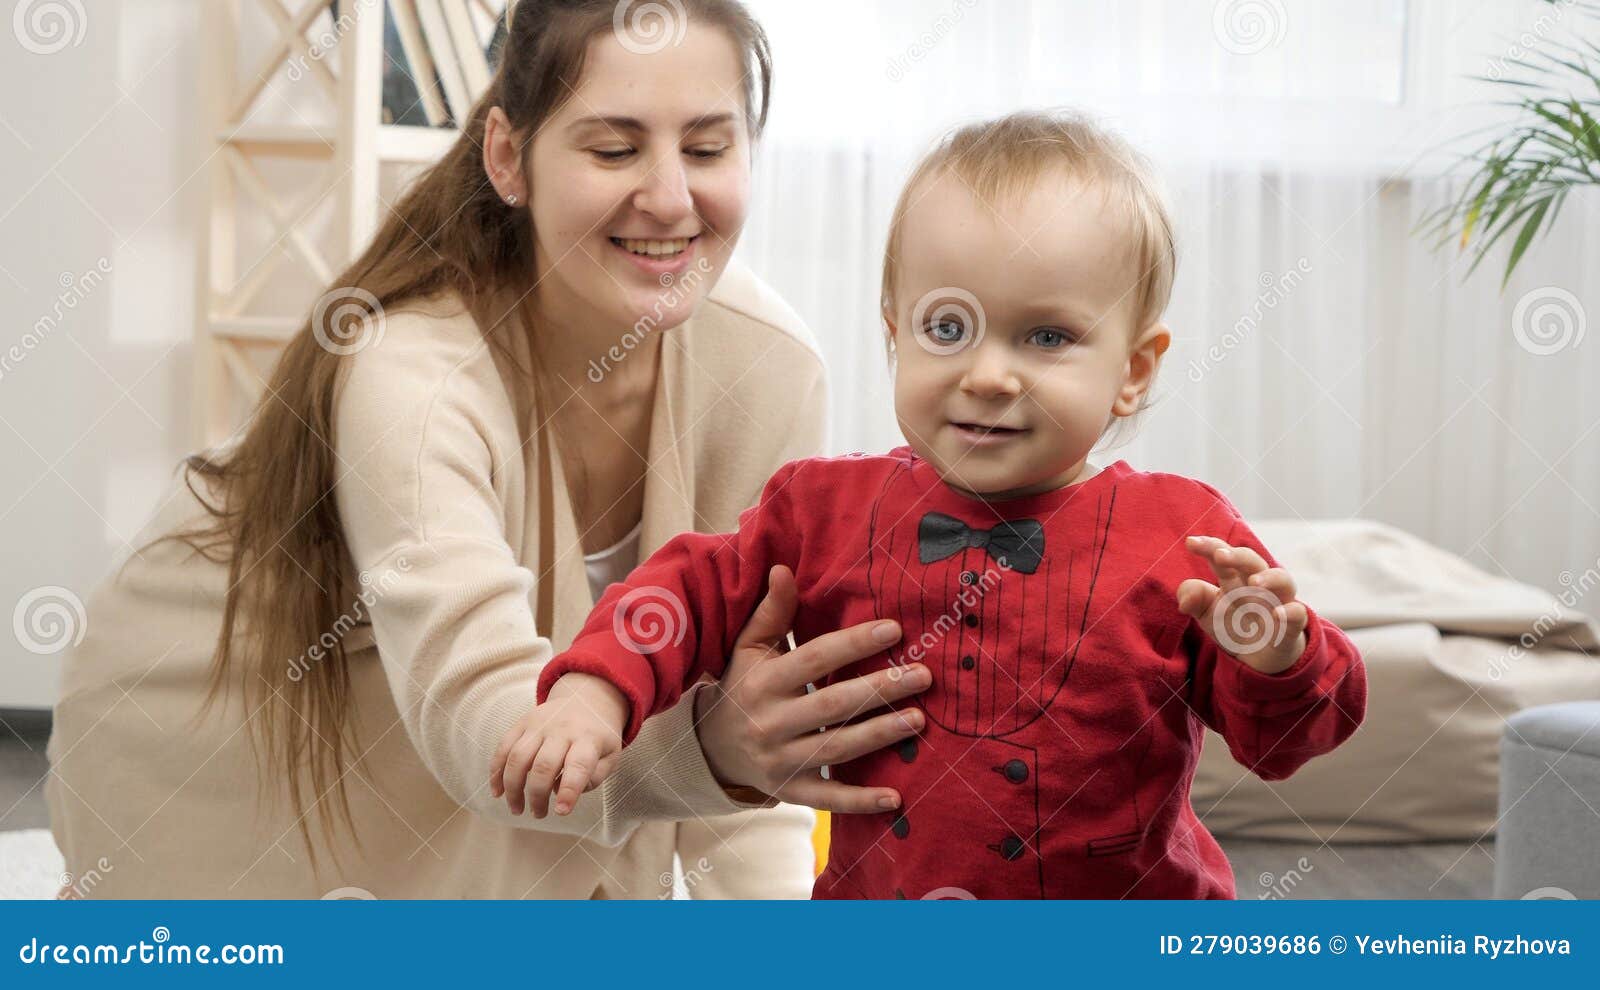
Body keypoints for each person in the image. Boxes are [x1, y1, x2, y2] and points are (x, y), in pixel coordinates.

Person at [46, 0, 928, 899]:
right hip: (220, 722)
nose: (669, 197)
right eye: (614, 149)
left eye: (706, 149)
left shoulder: (769, 367)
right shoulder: (411, 373)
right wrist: (714, 754)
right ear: (509, 157)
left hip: (477, 748)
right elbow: (492, 733)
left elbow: (750, 712)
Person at [491, 110, 1369, 899]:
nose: (987, 376)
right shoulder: (821, 508)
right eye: (947, 330)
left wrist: (1278, 657)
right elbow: (685, 590)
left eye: (1048, 336)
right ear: (894, 333)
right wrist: (594, 692)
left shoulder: (1186, 536)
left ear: (1133, 370)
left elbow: (1288, 743)